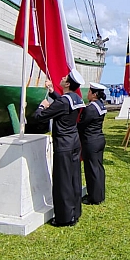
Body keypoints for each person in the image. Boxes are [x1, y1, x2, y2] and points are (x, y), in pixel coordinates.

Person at [33, 69, 86, 227]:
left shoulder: (63, 102)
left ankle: (64, 218)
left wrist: (41, 106)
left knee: (62, 181)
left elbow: (39, 117)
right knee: (74, 178)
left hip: (63, 145)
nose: (62, 77)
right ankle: (75, 212)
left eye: (64, 77)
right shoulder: (75, 97)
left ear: (67, 83)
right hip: (75, 143)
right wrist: (52, 91)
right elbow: (64, 103)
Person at [79, 82, 107, 205]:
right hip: (99, 139)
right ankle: (99, 194)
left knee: (91, 170)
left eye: (89, 92)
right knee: (98, 168)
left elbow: (82, 125)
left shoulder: (90, 108)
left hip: (90, 141)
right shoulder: (101, 105)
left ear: (94, 94)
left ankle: (94, 197)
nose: (88, 94)